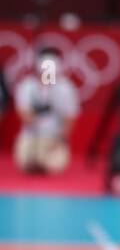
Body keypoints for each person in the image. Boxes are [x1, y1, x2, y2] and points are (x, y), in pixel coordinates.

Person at [13, 46, 79, 174]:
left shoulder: (66, 88)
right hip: (31, 136)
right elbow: (24, 115)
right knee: (27, 164)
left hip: (54, 138)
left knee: (54, 166)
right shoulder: (27, 86)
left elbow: (70, 118)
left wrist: (59, 139)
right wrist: (41, 109)